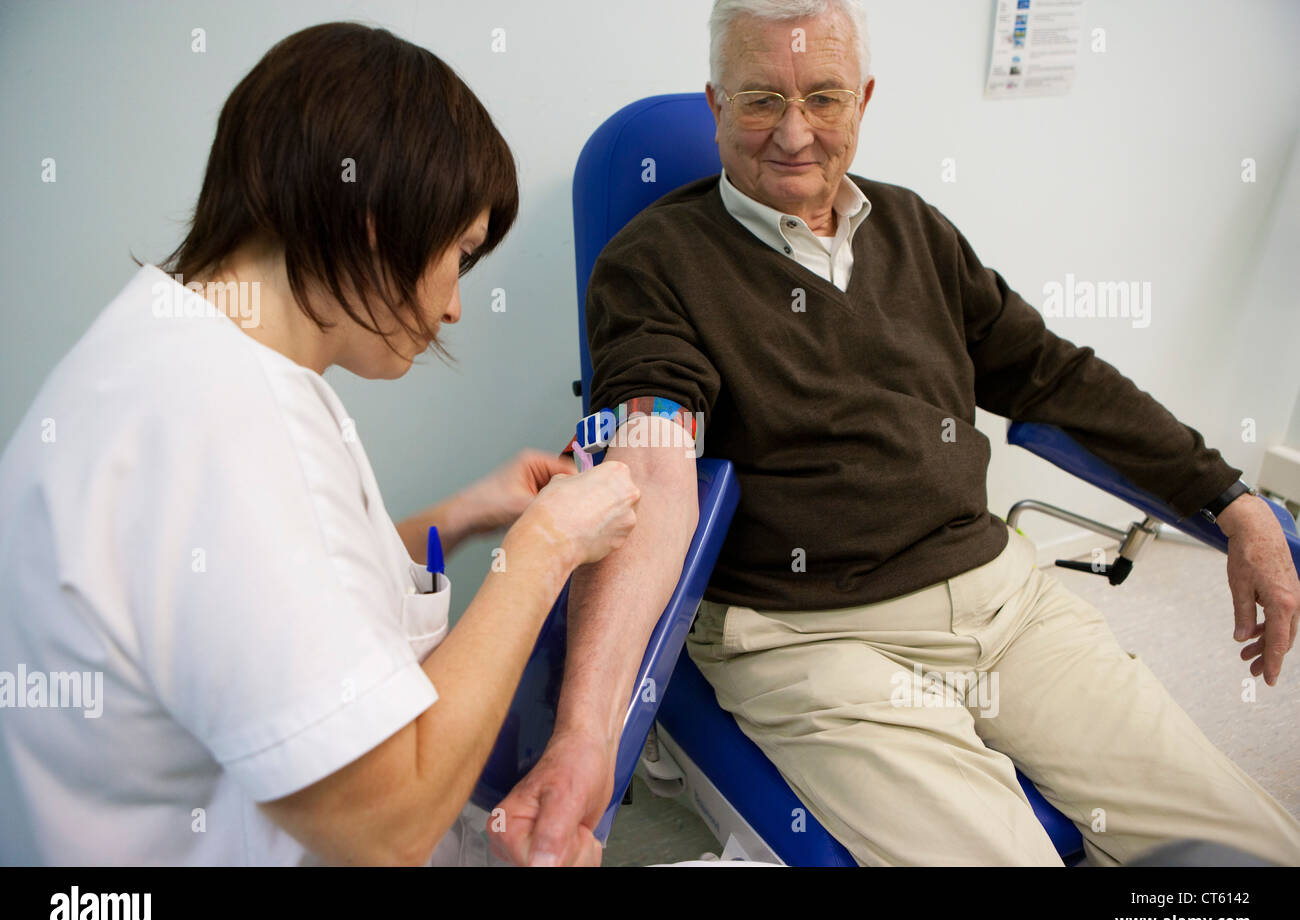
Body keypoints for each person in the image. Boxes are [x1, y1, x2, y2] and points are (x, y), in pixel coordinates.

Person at [490, 0, 1300, 866]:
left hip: (1004, 602)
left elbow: (1055, 374)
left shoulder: (914, 229)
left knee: (1250, 851)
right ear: (716, 105)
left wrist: (1230, 499)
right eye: (761, 99)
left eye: (823, 97)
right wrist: (584, 735)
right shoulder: (656, 263)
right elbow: (649, 468)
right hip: (812, 639)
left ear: (864, 100)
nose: (794, 133)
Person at [0, 22, 638, 866]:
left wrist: (462, 515)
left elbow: (278, 601)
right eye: (461, 253)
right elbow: (386, 826)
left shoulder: (168, 354)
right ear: (376, 221)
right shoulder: (226, 423)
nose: (454, 305)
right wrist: (547, 546)